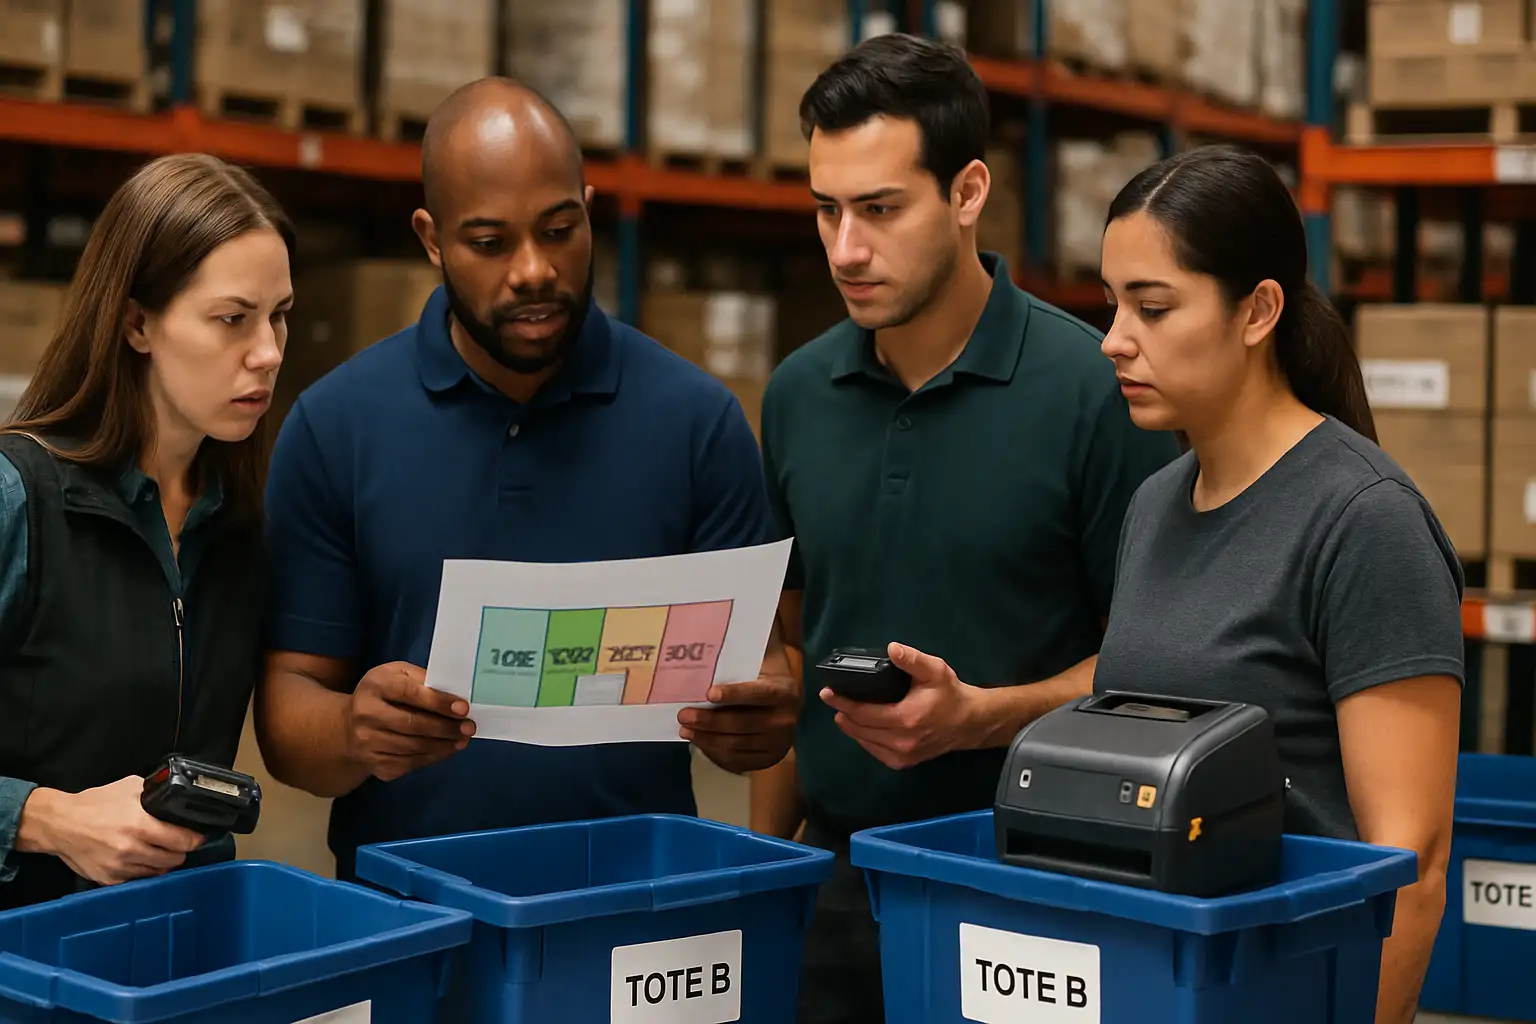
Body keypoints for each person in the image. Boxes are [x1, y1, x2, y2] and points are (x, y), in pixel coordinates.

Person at [254, 77, 798, 883]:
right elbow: (288, 708)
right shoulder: (336, 429)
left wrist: (760, 723)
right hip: (413, 916)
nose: (535, 271)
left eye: (559, 230)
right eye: (490, 243)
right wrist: (351, 733)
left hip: (633, 910)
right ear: (432, 239)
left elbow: (766, 672)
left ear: (589, 212)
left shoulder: (697, 423)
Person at [748, 33, 1182, 1024]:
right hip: (836, 886)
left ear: (968, 192)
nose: (844, 249)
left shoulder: (1093, 394)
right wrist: (771, 880)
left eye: (880, 209)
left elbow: (1153, 674)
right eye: (826, 209)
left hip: (1032, 882)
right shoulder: (796, 396)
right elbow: (791, 652)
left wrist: (980, 716)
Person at [1087, 145, 1461, 1024]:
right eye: (1112, 304)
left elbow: (1410, 870)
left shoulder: (1365, 521)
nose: (1114, 339)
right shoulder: (1154, 505)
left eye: (1152, 307)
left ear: (1257, 311)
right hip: (1161, 987)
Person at [0, 152, 292, 908]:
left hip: (177, 944)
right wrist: (46, 818)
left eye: (279, 315)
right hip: (26, 950)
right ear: (137, 323)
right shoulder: (19, 498)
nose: (268, 352)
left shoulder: (239, 523)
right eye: (232, 318)